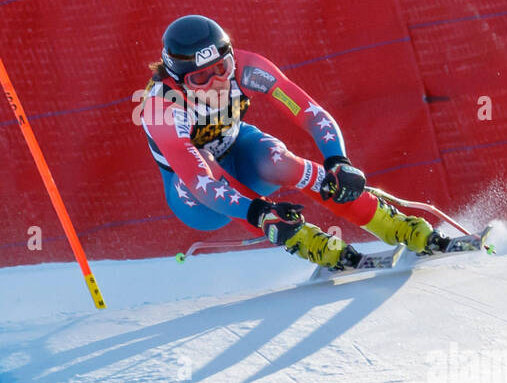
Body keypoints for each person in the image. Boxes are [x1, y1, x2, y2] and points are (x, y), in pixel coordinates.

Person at [136, 14, 454, 269]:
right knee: (208, 165)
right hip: (199, 199)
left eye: (221, 68)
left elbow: (308, 111)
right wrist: (258, 212)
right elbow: (199, 181)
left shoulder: (248, 70)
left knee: (279, 160)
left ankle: (397, 225)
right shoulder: (162, 109)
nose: (217, 83)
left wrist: (337, 161)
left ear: (231, 59)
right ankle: (310, 243)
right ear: (177, 78)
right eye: (200, 78)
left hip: (241, 154)